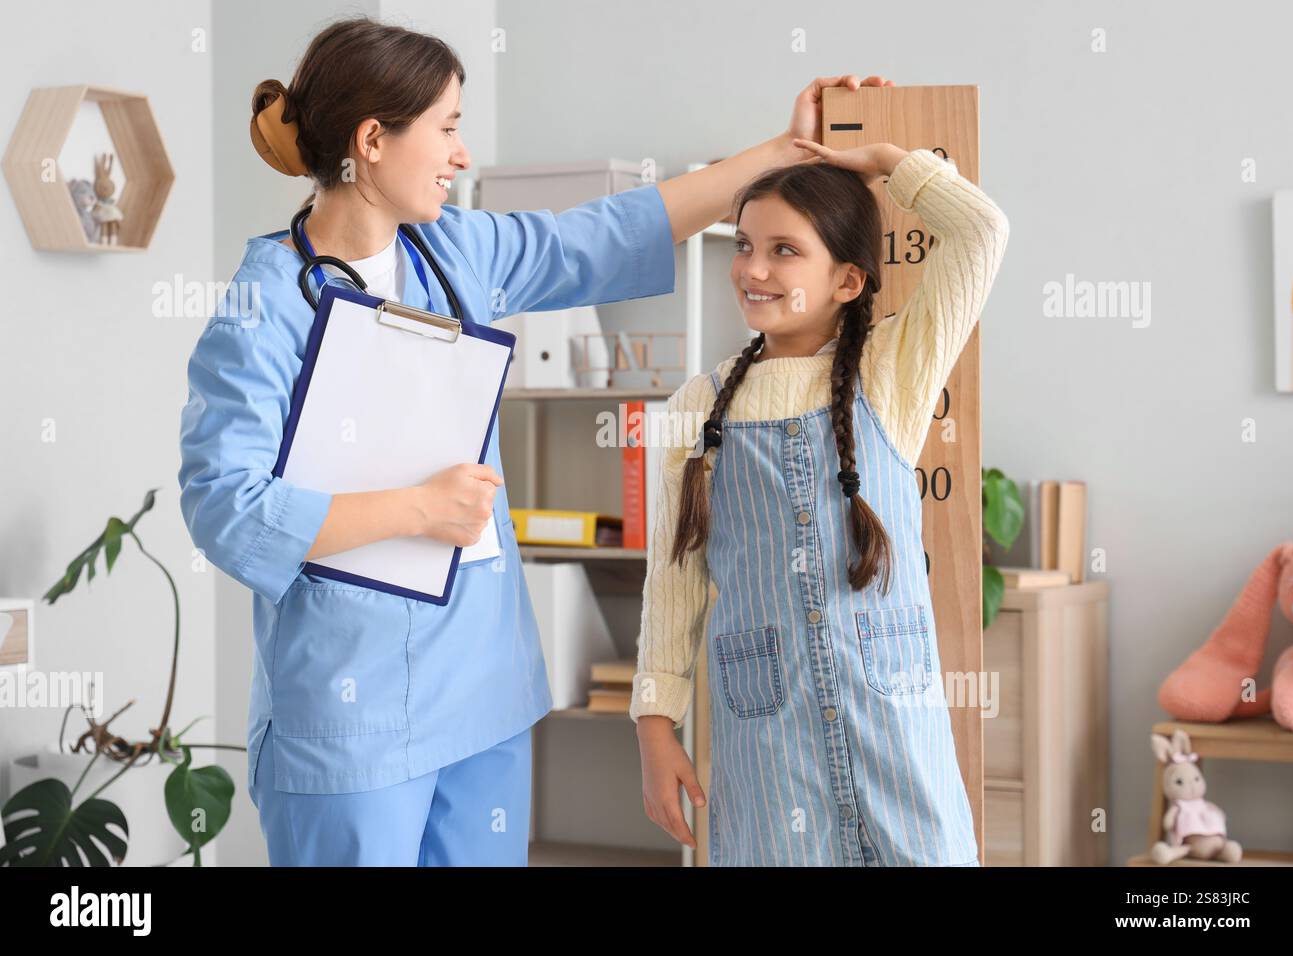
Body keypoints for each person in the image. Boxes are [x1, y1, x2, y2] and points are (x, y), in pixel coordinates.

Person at [177, 13, 879, 865]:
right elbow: (228, 509)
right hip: (350, 714)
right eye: (447, 128)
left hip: (481, 690)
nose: (461, 155)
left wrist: (778, 153)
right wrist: (416, 508)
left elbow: (609, 233)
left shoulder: (454, 252)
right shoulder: (265, 308)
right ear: (372, 139)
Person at [632, 138, 1010, 865]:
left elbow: (981, 231)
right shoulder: (693, 408)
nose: (753, 269)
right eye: (744, 245)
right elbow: (673, 583)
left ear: (846, 279)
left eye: (784, 250)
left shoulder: (893, 371)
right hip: (767, 744)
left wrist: (887, 161)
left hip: (895, 738)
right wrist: (655, 726)